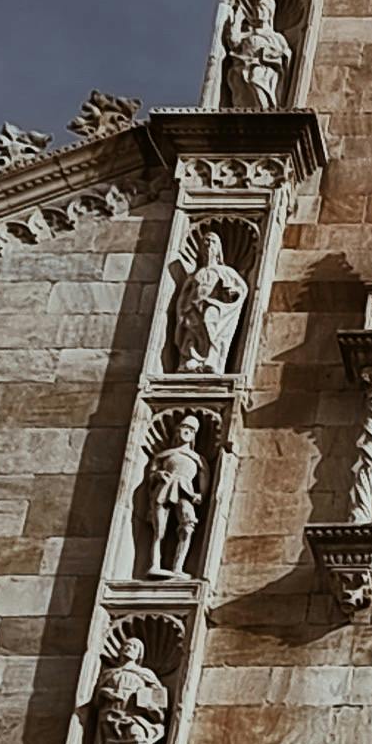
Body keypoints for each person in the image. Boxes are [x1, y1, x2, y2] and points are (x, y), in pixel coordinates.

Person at [164, 231, 249, 376]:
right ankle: (191, 359)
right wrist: (183, 309)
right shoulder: (197, 273)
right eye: (205, 242)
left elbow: (242, 289)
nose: (208, 245)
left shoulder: (225, 271)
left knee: (209, 321)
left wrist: (232, 294)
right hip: (193, 308)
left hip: (214, 307)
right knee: (191, 334)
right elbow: (184, 294)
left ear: (218, 249)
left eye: (212, 242)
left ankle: (211, 360)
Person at [141, 414, 209, 576]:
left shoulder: (198, 459)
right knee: (159, 530)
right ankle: (155, 565)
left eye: (191, 430)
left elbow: (204, 477)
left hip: (185, 490)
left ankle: (178, 567)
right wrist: (158, 475)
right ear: (177, 430)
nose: (186, 432)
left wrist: (201, 494)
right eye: (184, 427)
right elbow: (152, 474)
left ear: (194, 435)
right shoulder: (165, 455)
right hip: (165, 488)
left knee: (188, 526)